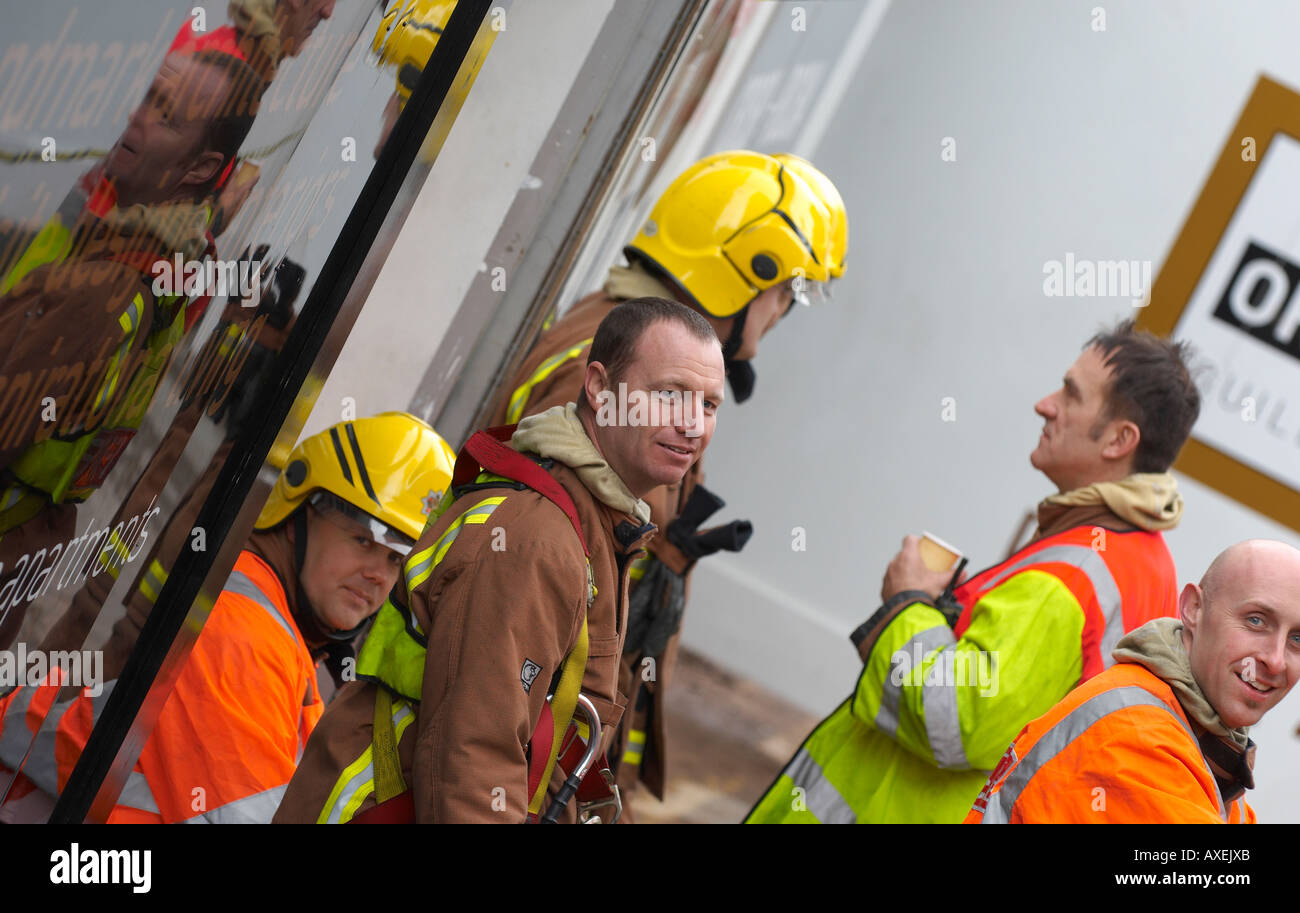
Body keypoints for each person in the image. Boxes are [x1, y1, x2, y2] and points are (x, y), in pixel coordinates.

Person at [486, 150, 847, 811]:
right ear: (745, 274)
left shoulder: (640, 354)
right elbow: (524, 617)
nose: (782, 311)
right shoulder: (612, 377)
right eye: (786, 291)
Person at [274, 296, 726, 823]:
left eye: (709, 405)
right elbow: (474, 760)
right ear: (601, 389)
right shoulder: (536, 538)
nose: (693, 424)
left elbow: (560, 744)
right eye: (669, 394)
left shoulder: (597, 521)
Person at [747, 318, 1203, 823]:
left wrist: (909, 602)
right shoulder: (1146, 558)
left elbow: (955, 720)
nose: (1045, 404)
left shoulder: (1073, 576)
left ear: (1119, 440)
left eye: (1071, 395)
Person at [0, 413, 455, 823]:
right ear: (300, 509)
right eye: (362, 540)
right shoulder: (243, 634)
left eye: (397, 561)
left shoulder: (289, 638)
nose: (378, 574)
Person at [0, 49, 264, 649]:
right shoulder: (177, 261)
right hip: (27, 546)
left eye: (166, 116)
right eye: (148, 97)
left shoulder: (100, 293)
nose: (138, 118)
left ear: (200, 166)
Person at [967, 539, 1300, 824]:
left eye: (1297, 639)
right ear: (1193, 609)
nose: (1274, 659)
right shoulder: (1137, 733)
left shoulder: (1209, 746)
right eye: (1256, 621)